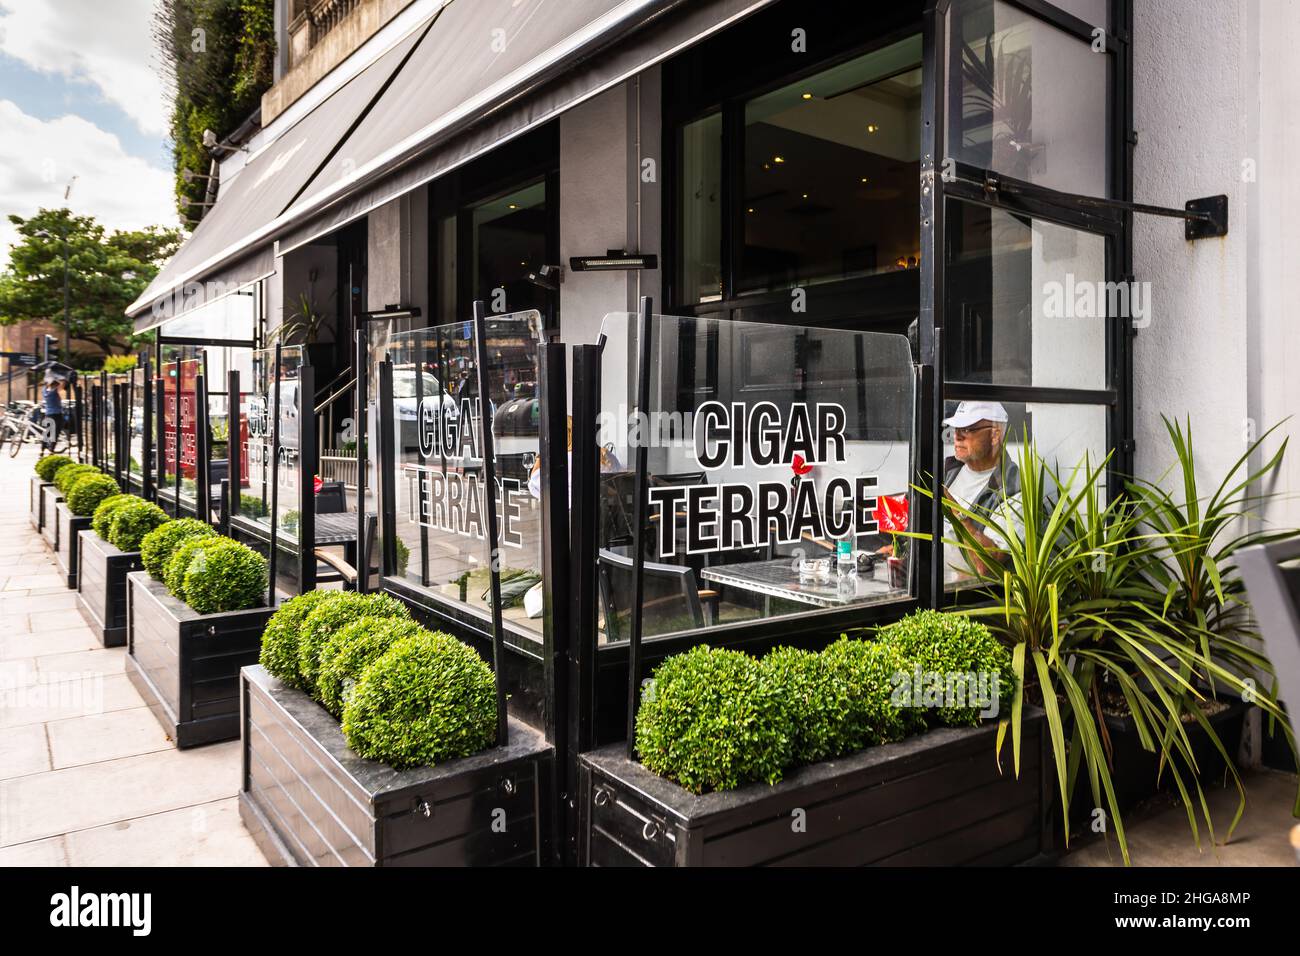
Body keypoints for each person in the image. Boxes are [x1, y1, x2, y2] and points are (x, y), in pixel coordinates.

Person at [940, 400, 1021, 576]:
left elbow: (987, 564)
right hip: (927, 588)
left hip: (963, 599)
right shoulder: (949, 469)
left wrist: (954, 510)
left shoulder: (1013, 489)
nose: (957, 436)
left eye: (968, 429)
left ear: (994, 435)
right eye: (956, 428)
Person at [41, 378, 63, 451]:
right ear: (55, 386)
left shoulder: (44, 392)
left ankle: (42, 450)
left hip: (48, 414)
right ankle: (52, 449)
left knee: (47, 432)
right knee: (55, 432)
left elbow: (45, 385)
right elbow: (61, 386)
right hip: (56, 414)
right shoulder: (54, 392)